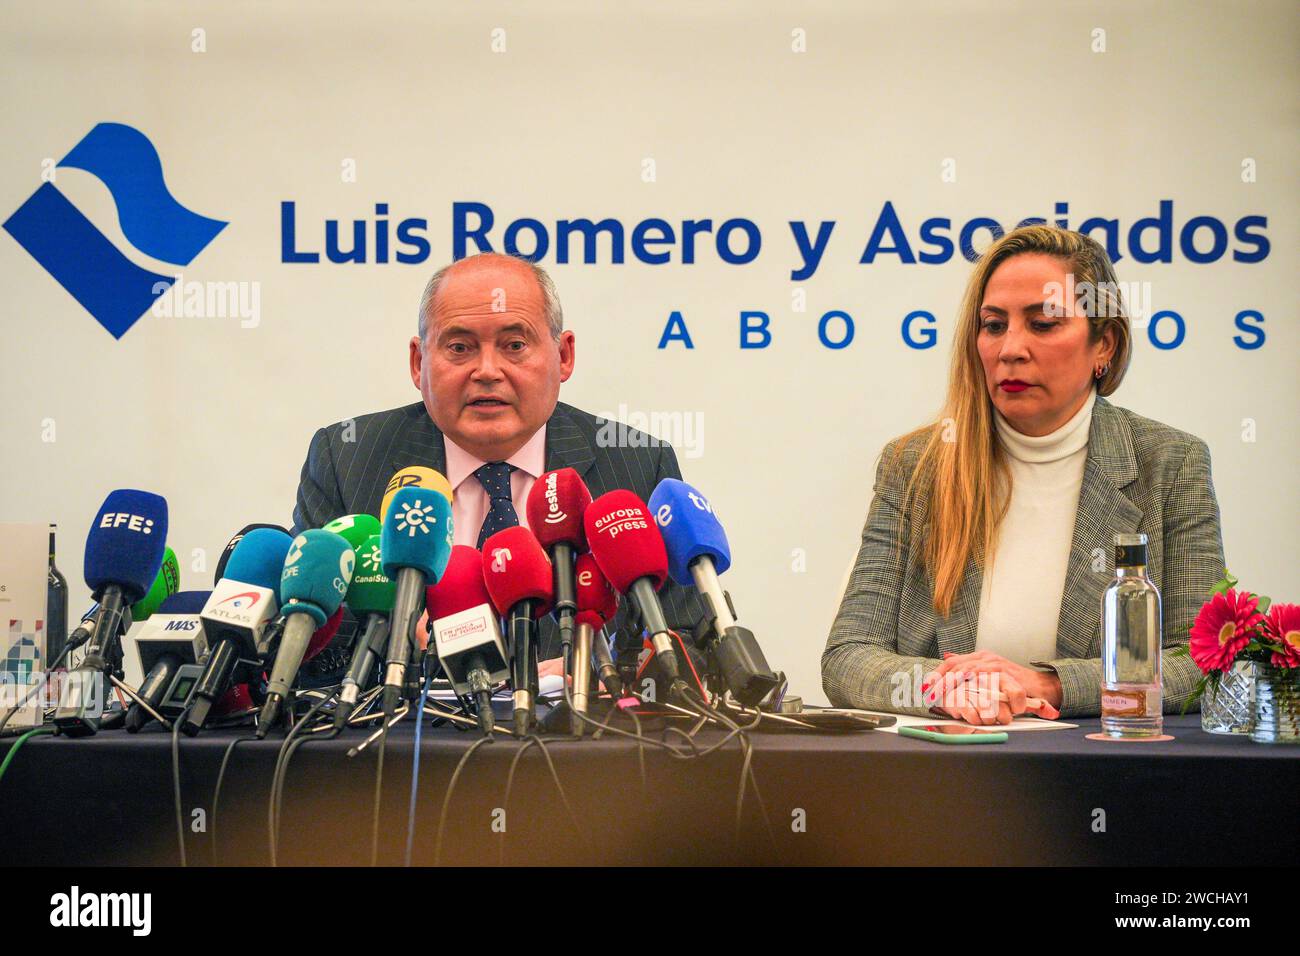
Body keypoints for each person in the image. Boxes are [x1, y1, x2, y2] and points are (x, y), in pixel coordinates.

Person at [822, 225, 1224, 724]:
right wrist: (951, 690)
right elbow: (848, 659)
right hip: (949, 763)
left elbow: (1202, 665)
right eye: (994, 325)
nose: (1010, 348)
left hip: (1098, 761)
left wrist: (1049, 684)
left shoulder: (1170, 463)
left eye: (1043, 324)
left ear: (1104, 344)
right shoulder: (915, 465)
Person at [292, 252, 706, 672]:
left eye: (514, 345)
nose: (487, 371)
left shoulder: (637, 465)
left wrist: (601, 674)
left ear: (563, 356)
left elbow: (689, 645)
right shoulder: (347, 460)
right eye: (459, 348)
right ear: (418, 363)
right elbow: (306, 649)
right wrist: (392, 644)